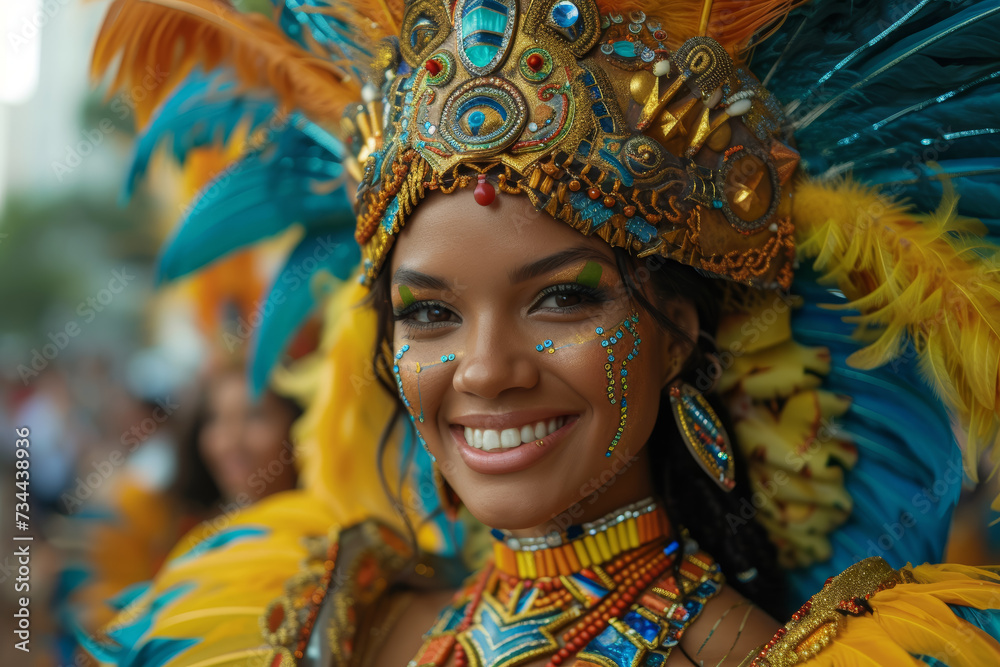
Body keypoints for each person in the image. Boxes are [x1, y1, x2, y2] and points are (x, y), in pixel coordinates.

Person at [80, 0, 1000, 665]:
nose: (485, 370)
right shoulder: (312, 625)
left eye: (561, 300)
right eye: (431, 313)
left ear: (676, 333)